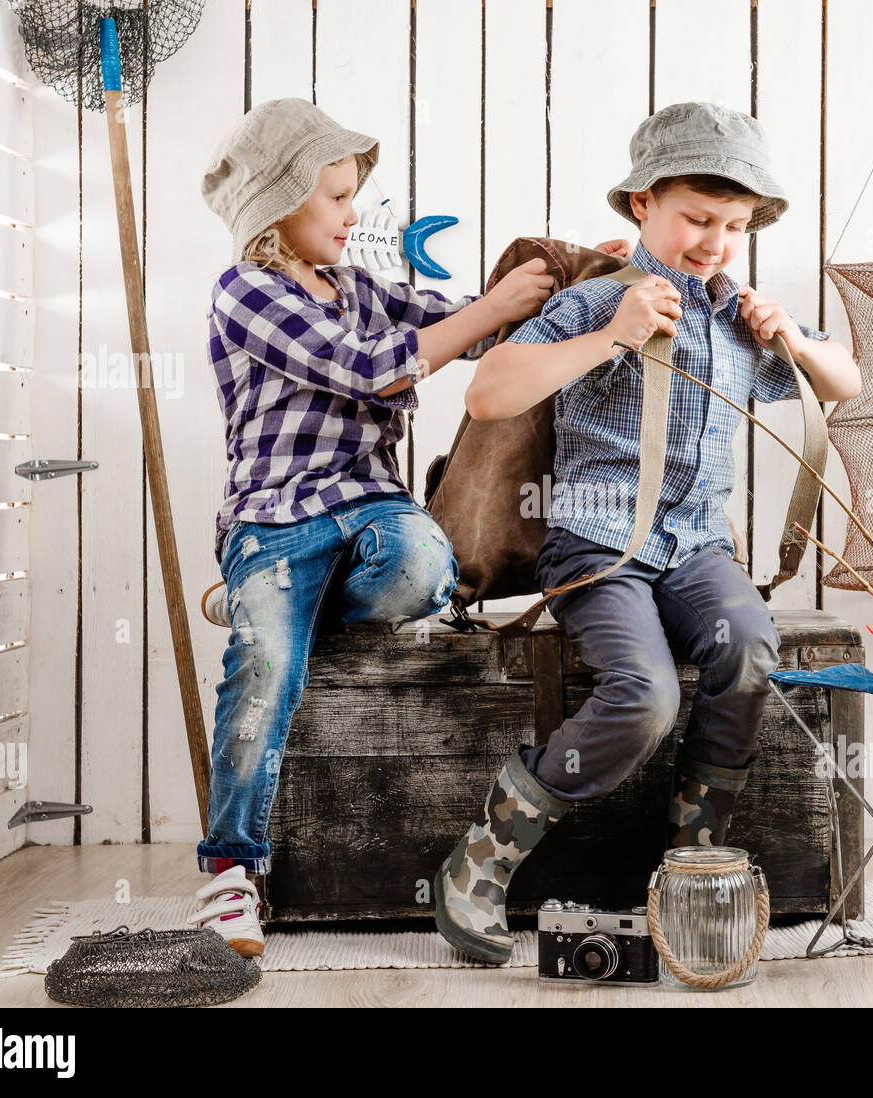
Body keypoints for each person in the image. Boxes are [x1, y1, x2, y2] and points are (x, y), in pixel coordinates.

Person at [188, 97, 625, 957]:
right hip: (276, 518)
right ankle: (231, 869)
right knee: (265, 664)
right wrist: (491, 304)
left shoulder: (355, 285)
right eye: (337, 197)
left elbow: (451, 323)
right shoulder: (246, 291)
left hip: (372, 507)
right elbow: (375, 371)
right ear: (279, 206)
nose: (356, 215)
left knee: (427, 566)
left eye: (355, 195)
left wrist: (575, 281)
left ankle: (273, 606)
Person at [434, 101, 862, 964]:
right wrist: (609, 338)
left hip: (699, 550)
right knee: (646, 695)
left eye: (734, 225)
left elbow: (846, 380)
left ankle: (690, 864)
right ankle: (483, 857)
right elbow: (488, 395)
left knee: (749, 646)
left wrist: (794, 343)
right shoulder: (596, 301)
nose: (715, 240)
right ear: (641, 205)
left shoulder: (738, 320)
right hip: (600, 548)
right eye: (698, 218)